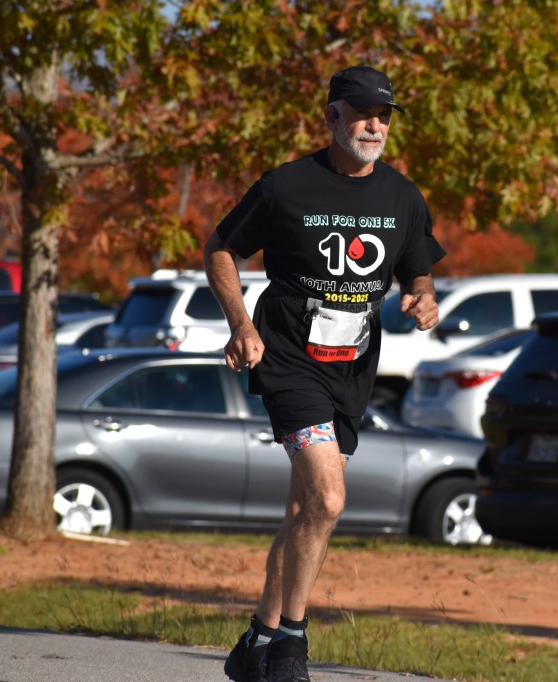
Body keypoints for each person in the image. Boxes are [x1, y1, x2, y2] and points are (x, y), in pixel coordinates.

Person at [203, 65, 445, 682]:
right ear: (332, 116)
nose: (374, 127)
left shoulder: (402, 196)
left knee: (303, 510)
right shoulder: (286, 186)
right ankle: (291, 642)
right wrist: (241, 324)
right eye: (362, 114)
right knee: (330, 499)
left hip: (352, 368)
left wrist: (424, 298)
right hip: (288, 356)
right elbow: (221, 247)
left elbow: (418, 269)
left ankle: (255, 641)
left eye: (383, 117)